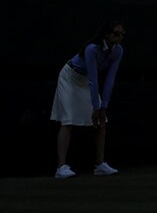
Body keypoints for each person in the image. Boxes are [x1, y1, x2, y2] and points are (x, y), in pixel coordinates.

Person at [52, 20, 125, 178]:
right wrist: (95, 106)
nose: (120, 37)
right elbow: (94, 77)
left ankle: (99, 165)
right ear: (106, 34)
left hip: (86, 81)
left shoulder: (118, 50)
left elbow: (110, 79)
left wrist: (103, 107)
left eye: (122, 34)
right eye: (116, 33)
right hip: (70, 78)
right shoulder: (92, 49)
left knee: (102, 122)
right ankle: (61, 167)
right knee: (68, 120)